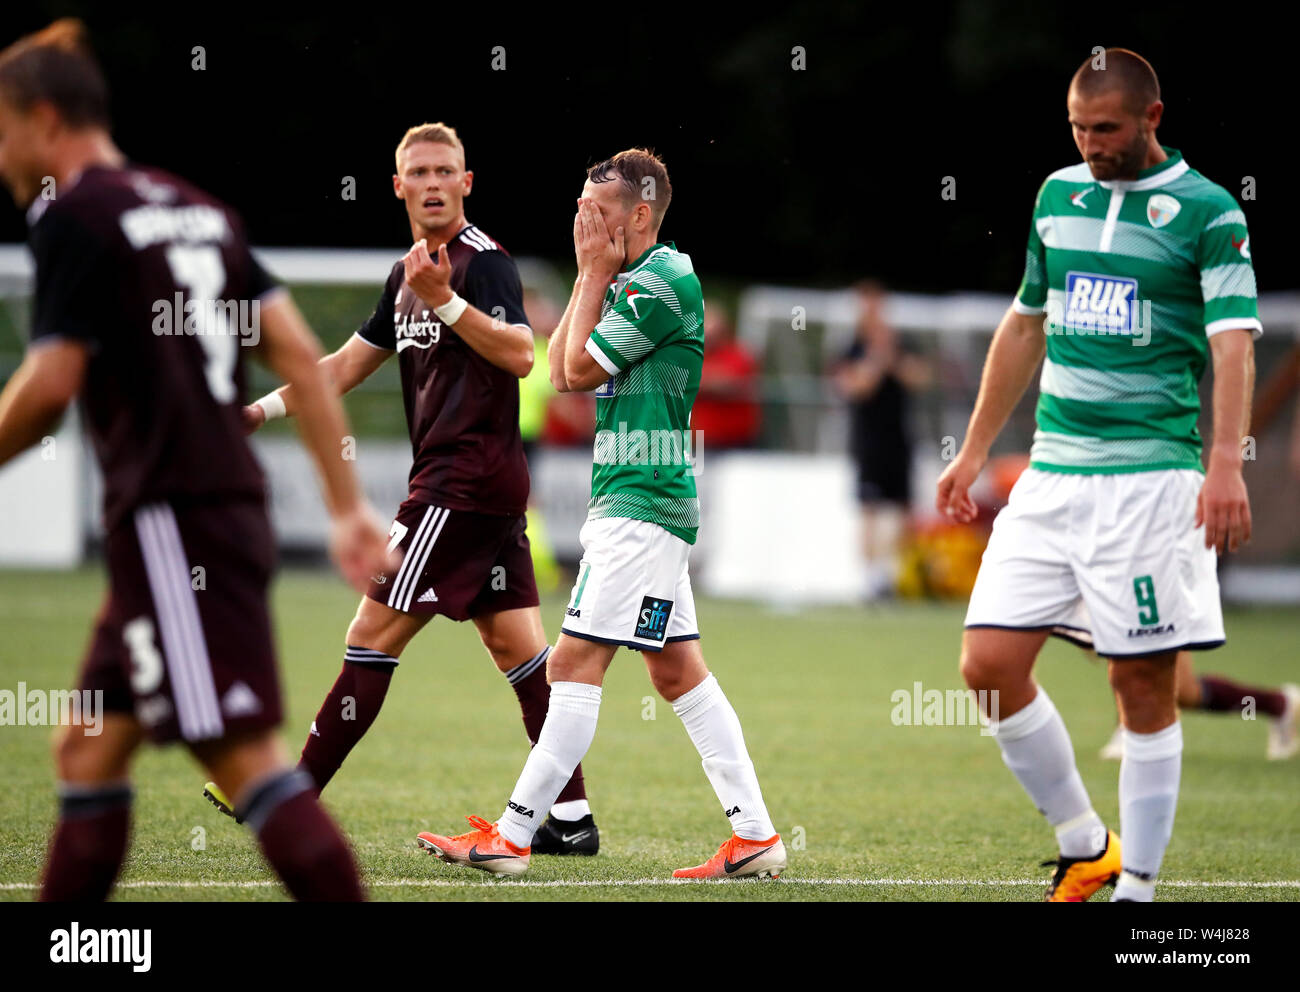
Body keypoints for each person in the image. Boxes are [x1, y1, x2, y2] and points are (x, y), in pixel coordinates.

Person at [0, 19, 392, 900]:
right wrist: (345, 507)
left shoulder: (71, 215)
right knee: (88, 745)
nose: (0, 153)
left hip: (175, 523)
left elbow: (53, 380)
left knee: (246, 760)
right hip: (207, 516)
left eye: (2, 128)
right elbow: (296, 349)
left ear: (45, 119)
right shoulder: (196, 206)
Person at [937, 49, 1259, 902]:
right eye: (1079, 128)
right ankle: (1086, 843)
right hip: (1051, 475)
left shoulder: (1211, 213)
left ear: (1152, 118)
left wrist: (1226, 462)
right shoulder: (1056, 195)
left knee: (1142, 684)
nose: (1091, 144)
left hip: (1151, 483)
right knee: (987, 664)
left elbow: (1232, 345)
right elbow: (1023, 325)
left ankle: (1140, 894)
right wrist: (973, 451)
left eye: (1106, 129)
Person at [225, 123, 599, 855]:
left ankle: (289, 802)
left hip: (457, 485)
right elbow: (339, 369)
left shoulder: (482, 263)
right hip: (482, 489)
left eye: (444, 171)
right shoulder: (405, 276)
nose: (432, 183)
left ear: (467, 182)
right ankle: (573, 820)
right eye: (418, 172)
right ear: (398, 187)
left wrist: (450, 303)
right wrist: (259, 411)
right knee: (520, 650)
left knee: (368, 636)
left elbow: (524, 354)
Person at [416, 149, 784, 880]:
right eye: (581, 208)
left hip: (641, 505)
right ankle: (757, 839)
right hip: (644, 500)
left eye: (598, 211)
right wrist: (595, 276)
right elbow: (559, 373)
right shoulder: (631, 281)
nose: (584, 224)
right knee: (678, 672)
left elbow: (572, 371)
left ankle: (514, 837)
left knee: (572, 663)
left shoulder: (661, 279)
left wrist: (588, 274)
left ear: (639, 215)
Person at [833, 280, 927, 599]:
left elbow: (921, 379)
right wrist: (876, 359)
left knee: (903, 508)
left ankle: (893, 573)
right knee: (869, 508)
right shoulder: (852, 348)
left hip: (899, 439)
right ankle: (870, 578)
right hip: (867, 442)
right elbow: (855, 388)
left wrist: (893, 356)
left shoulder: (903, 343)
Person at [692, 300, 760, 449]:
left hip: (734, 441)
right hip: (698, 441)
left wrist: (699, 381)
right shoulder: (694, 354)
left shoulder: (739, 354)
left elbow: (729, 383)